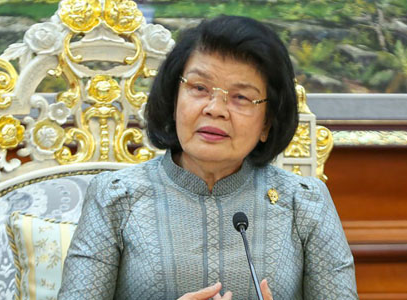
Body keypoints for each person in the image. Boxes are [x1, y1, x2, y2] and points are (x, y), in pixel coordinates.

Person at [59, 16, 357, 299]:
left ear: (267, 123)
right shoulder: (115, 198)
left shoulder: (304, 203)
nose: (215, 108)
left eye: (241, 97)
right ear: (174, 98)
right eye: (199, 88)